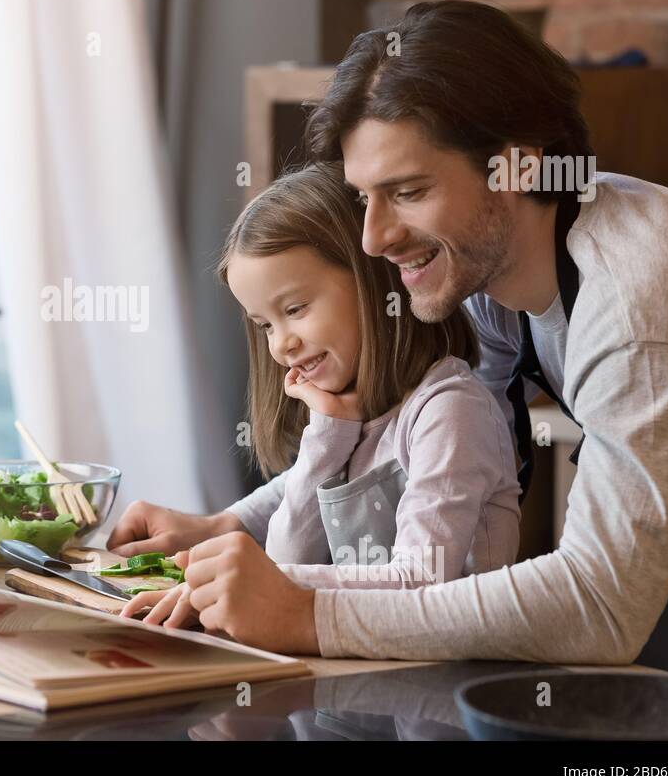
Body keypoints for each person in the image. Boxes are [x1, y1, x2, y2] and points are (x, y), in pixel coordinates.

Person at [110, 0, 668, 671]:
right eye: (363, 198)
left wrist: (305, 613)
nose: (373, 238)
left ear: (519, 166)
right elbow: (398, 445)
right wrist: (228, 528)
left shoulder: (637, 308)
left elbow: (599, 606)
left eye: (408, 192)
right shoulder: (496, 274)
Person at [120, 163, 522, 640]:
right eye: (266, 324)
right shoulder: (357, 417)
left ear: (376, 284)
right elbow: (288, 553)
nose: (281, 345)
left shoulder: (450, 412)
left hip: (447, 687)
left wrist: (261, 583)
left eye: (295, 310)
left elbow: (420, 583)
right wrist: (325, 436)